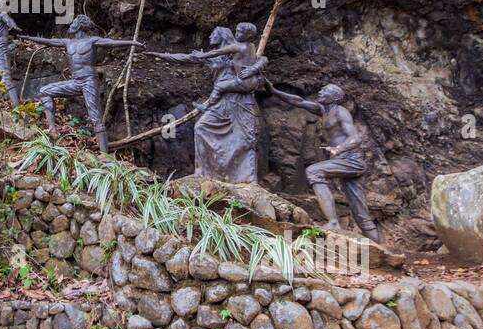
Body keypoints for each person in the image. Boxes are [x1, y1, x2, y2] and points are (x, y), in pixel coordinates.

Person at [147, 23, 265, 183]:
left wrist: (253, 70)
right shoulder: (215, 56)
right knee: (200, 127)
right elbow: (187, 58)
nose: (210, 36)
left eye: (214, 33)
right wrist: (161, 55)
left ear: (222, 35)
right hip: (220, 103)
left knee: (245, 139)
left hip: (240, 101)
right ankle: (201, 171)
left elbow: (262, 66)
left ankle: (249, 179)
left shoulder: (240, 50)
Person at [268, 82, 381, 242]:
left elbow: (356, 138)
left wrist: (338, 149)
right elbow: (298, 101)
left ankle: (334, 222)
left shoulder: (341, 112)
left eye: (325, 90)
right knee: (361, 214)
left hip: (351, 160)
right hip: (343, 161)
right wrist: (273, 90)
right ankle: (381, 251)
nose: (320, 91)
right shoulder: (322, 110)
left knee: (313, 171)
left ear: (335, 97)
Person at [22, 14, 138, 152]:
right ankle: (52, 130)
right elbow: (47, 41)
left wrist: (133, 43)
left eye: (74, 22)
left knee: (95, 117)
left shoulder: (92, 40)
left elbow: (111, 43)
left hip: (89, 81)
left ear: (81, 26)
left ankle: (104, 155)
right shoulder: (68, 42)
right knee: (44, 91)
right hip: (75, 82)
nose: (71, 25)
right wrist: (28, 37)